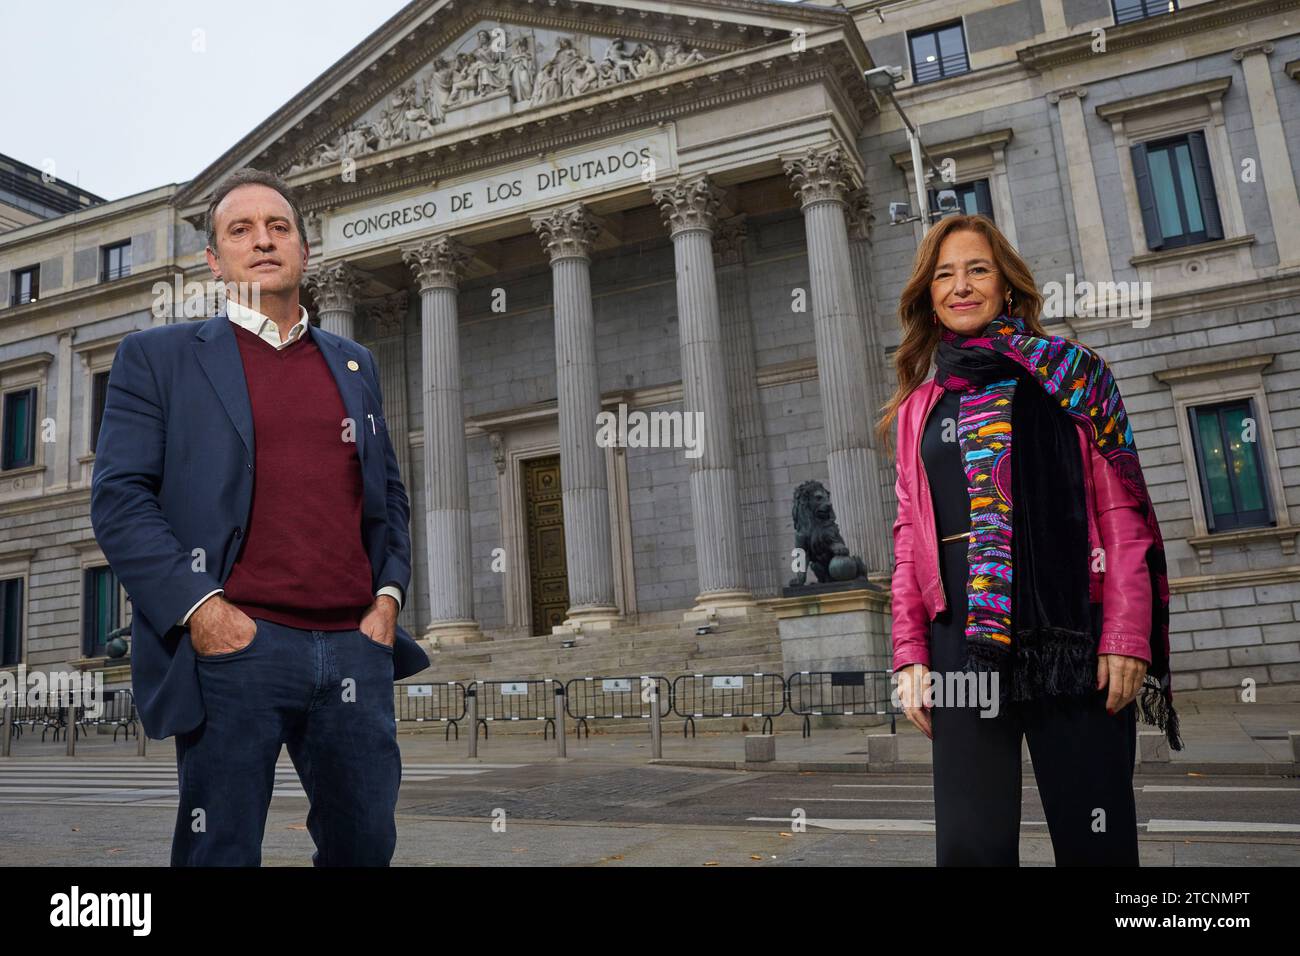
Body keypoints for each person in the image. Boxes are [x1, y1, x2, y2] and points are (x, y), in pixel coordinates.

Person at [90, 167, 429, 866]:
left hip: (351, 643)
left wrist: (388, 598)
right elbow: (120, 499)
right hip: (236, 644)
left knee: (366, 844)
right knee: (221, 850)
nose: (263, 240)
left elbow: (386, 493)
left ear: (305, 250)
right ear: (215, 261)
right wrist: (203, 610)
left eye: (279, 227)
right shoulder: (159, 359)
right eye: (240, 230)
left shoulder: (354, 364)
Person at [875, 214, 1182, 866]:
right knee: (970, 846)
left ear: (1006, 287)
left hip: (1070, 631)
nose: (962, 286)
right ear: (928, 296)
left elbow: (1121, 514)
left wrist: (1127, 635)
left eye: (977, 270)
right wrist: (908, 655)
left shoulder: (1073, 375)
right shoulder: (918, 409)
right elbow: (908, 539)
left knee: (1094, 841)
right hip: (962, 640)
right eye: (945, 275)